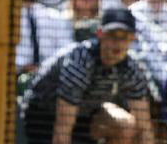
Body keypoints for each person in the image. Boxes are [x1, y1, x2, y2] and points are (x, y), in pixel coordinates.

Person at [20, 8, 154, 144]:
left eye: (124, 36)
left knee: (125, 125)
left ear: (133, 38)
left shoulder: (131, 69)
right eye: (112, 35)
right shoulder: (80, 62)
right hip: (43, 118)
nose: (118, 43)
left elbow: (145, 126)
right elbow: (62, 129)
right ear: (100, 33)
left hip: (84, 116)